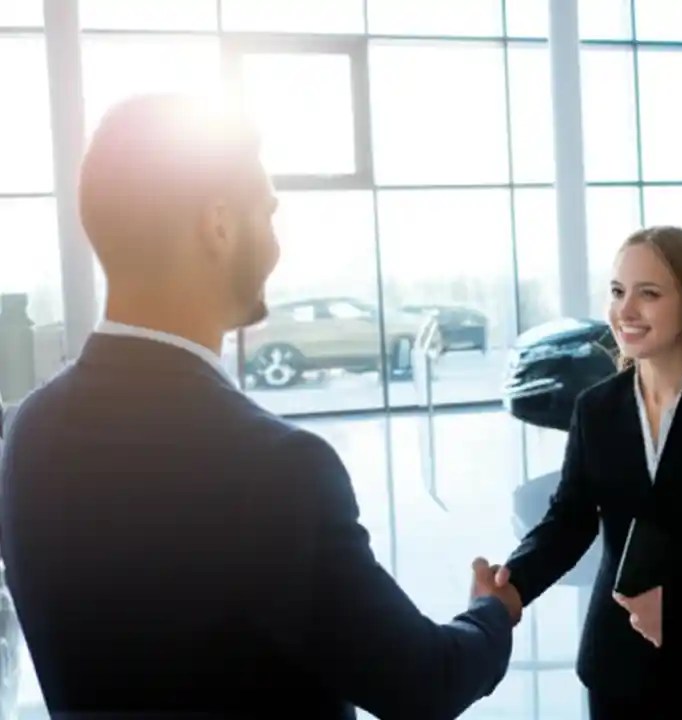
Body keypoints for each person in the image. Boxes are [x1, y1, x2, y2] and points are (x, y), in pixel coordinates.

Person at [0, 93, 520, 719]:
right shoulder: (276, 469)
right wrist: (491, 614)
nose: (275, 245)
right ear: (218, 225)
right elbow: (424, 683)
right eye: (268, 213)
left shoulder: (27, 433)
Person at [496, 226, 682, 719]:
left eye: (648, 294)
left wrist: (677, 612)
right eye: (617, 292)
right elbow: (568, 520)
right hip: (618, 667)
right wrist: (513, 582)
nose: (624, 310)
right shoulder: (595, 410)